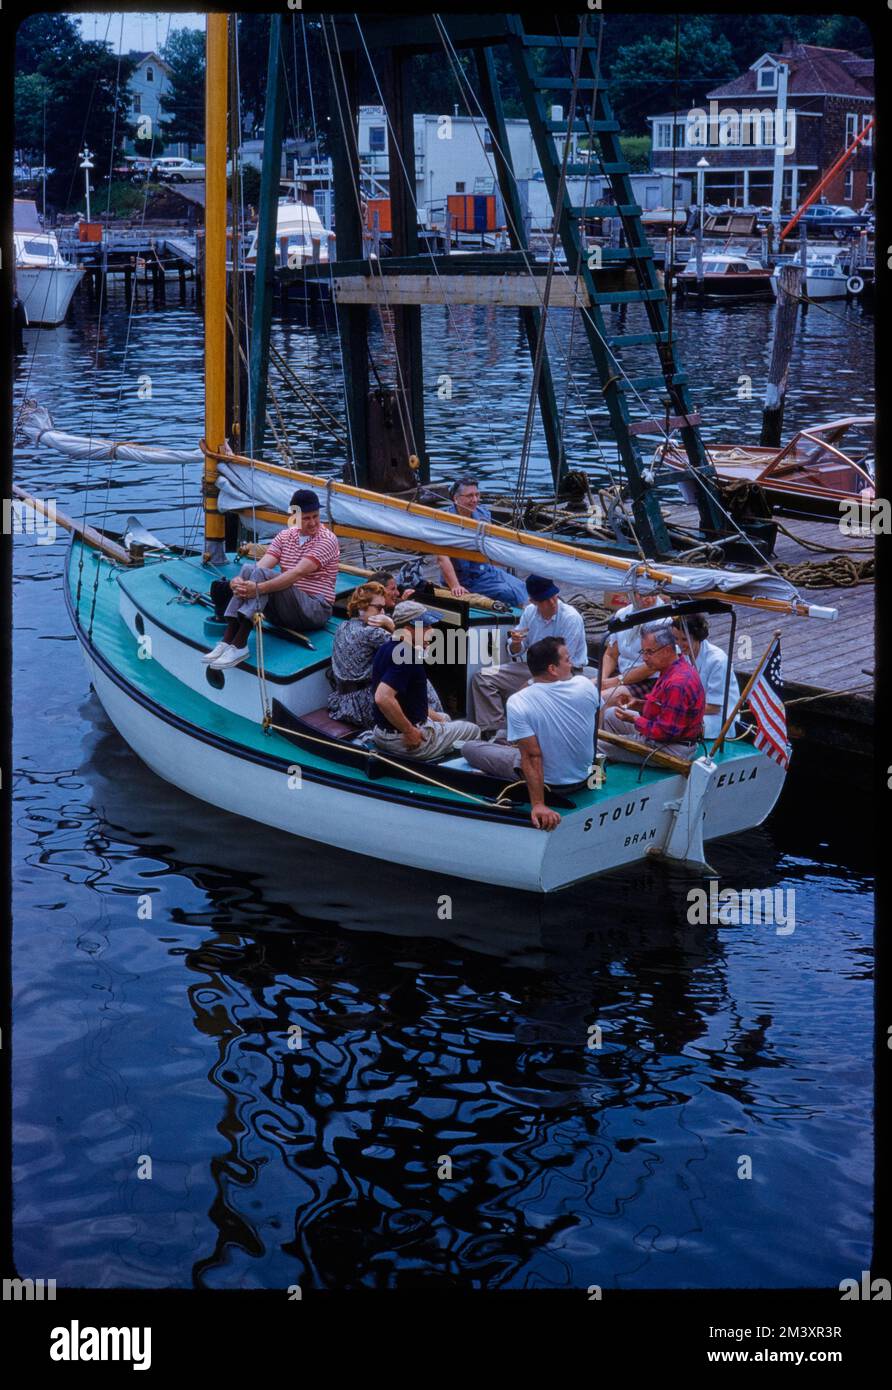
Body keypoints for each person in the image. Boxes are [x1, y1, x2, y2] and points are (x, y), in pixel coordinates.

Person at [463, 637, 600, 830]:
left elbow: (532, 756)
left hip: (552, 785)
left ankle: (501, 743)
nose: (572, 664)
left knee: (470, 748)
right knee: (511, 738)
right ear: (552, 669)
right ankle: (504, 742)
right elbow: (595, 723)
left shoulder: (518, 701)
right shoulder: (585, 685)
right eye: (568, 660)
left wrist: (538, 804)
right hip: (585, 776)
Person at [204, 488, 339, 669]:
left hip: (315, 610)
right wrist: (237, 582)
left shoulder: (327, 540)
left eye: (315, 516)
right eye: (306, 518)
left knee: (260, 577)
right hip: (288, 610)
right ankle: (229, 640)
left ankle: (239, 643)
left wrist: (258, 589)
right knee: (248, 568)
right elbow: (262, 565)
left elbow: (296, 573)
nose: (313, 522)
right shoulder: (285, 536)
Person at [468, 574, 588, 733]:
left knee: (523, 693)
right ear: (533, 602)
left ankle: (512, 731)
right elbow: (516, 647)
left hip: (565, 671)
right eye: (546, 600)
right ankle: (494, 731)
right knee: (483, 677)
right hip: (533, 667)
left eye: (554, 596)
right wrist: (516, 643)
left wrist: (529, 685)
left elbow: (562, 663)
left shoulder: (571, 618)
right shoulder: (530, 612)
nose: (553, 603)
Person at [371, 612, 480, 762]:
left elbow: (406, 700)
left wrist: (440, 720)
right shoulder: (406, 656)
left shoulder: (387, 647)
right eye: (426, 626)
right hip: (403, 740)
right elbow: (382, 698)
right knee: (473, 730)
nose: (432, 631)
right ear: (409, 629)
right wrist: (409, 731)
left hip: (382, 733)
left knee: (445, 718)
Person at [598, 623, 705, 763]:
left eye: (649, 652)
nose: (644, 658)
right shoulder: (673, 667)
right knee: (610, 715)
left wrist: (634, 719)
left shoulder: (677, 683)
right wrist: (637, 704)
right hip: (663, 736)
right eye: (643, 652)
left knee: (597, 745)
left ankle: (613, 761)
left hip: (672, 748)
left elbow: (665, 732)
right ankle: (620, 757)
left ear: (667, 651)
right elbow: (664, 709)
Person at [437, 476, 528, 607]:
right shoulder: (444, 521)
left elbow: (491, 545)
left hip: (486, 571)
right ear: (455, 499)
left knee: (521, 586)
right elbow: (442, 558)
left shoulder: (483, 515)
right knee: (507, 593)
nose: (474, 500)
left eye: (477, 495)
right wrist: (455, 586)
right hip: (465, 579)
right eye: (469, 496)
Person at [327, 582, 393, 728]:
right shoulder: (372, 633)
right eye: (379, 608)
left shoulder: (343, 626)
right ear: (362, 606)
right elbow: (411, 653)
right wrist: (390, 623)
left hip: (343, 702)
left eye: (385, 609)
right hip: (363, 707)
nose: (382, 613)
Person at [670, 614, 738, 741]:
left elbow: (714, 707)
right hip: (692, 710)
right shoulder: (680, 654)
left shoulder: (718, 660)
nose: (679, 644)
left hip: (718, 718)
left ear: (698, 638)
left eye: (684, 639)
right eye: (676, 639)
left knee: (675, 725)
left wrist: (679, 711)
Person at [600, 591, 671, 709]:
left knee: (601, 699)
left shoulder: (665, 620)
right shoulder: (622, 614)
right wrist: (602, 679)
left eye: (652, 595)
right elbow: (611, 655)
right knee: (586, 690)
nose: (648, 599)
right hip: (621, 674)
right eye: (642, 594)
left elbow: (652, 667)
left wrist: (615, 681)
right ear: (631, 594)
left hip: (649, 680)